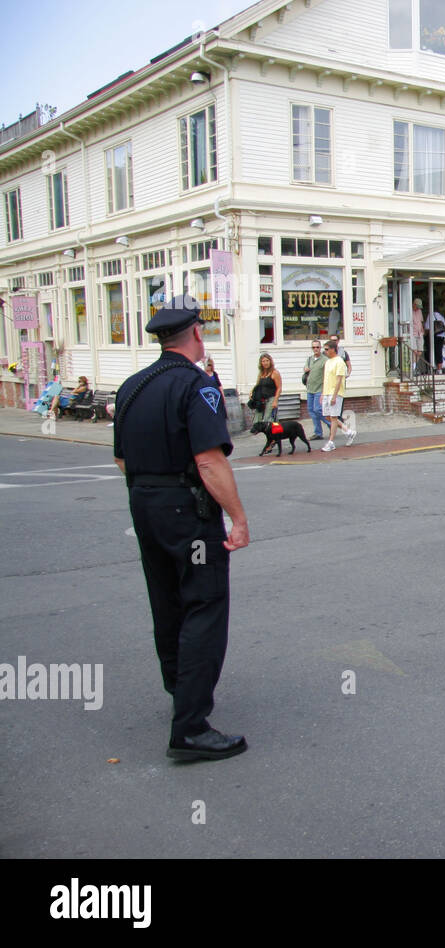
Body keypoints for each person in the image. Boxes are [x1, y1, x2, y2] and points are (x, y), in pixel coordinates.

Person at [112, 295, 250, 762]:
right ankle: (191, 725)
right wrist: (238, 517)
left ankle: (181, 690)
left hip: (144, 502)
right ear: (196, 334)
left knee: (166, 601)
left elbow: (120, 459)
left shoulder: (130, 386)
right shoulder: (197, 387)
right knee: (204, 604)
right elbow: (209, 460)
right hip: (187, 509)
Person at [321, 339, 355, 452]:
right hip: (326, 392)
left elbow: (339, 380)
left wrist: (334, 396)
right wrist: (322, 393)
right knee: (327, 416)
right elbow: (325, 379)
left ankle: (331, 442)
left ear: (332, 349)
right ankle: (348, 431)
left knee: (334, 417)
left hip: (335, 393)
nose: (324, 351)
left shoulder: (339, 361)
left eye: (326, 349)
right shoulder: (327, 362)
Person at [302, 340, 327, 439]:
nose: (315, 349)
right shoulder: (309, 359)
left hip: (319, 389)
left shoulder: (325, 360)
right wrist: (305, 369)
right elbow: (305, 368)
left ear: (320, 348)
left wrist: (324, 391)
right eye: (313, 347)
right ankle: (318, 433)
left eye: (317, 347)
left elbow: (326, 376)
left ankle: (332, 423)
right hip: (310, 389)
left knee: (317, 410)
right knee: (311, 410)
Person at [249, 353, 281, 430]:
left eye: (267, 361)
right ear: (261, 363)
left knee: (270, 419)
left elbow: (279, 388)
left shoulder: (275, 373)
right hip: (262, 399)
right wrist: (252, 391)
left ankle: (277, 434)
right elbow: (258, 385)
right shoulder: (261, 373)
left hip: (272, 398)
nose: (265, 363)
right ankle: (274, 435)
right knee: (258, 418)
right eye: (263, 361)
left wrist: (275, 401)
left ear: (270, 362)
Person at [430, 306, 445, 375]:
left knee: (432, 352)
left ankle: (433, 367)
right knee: (439, 352)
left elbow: (427, 327)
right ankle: (439, 369)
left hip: (434, 336)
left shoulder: (431, 315)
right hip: (442, 336)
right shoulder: (441, 317)